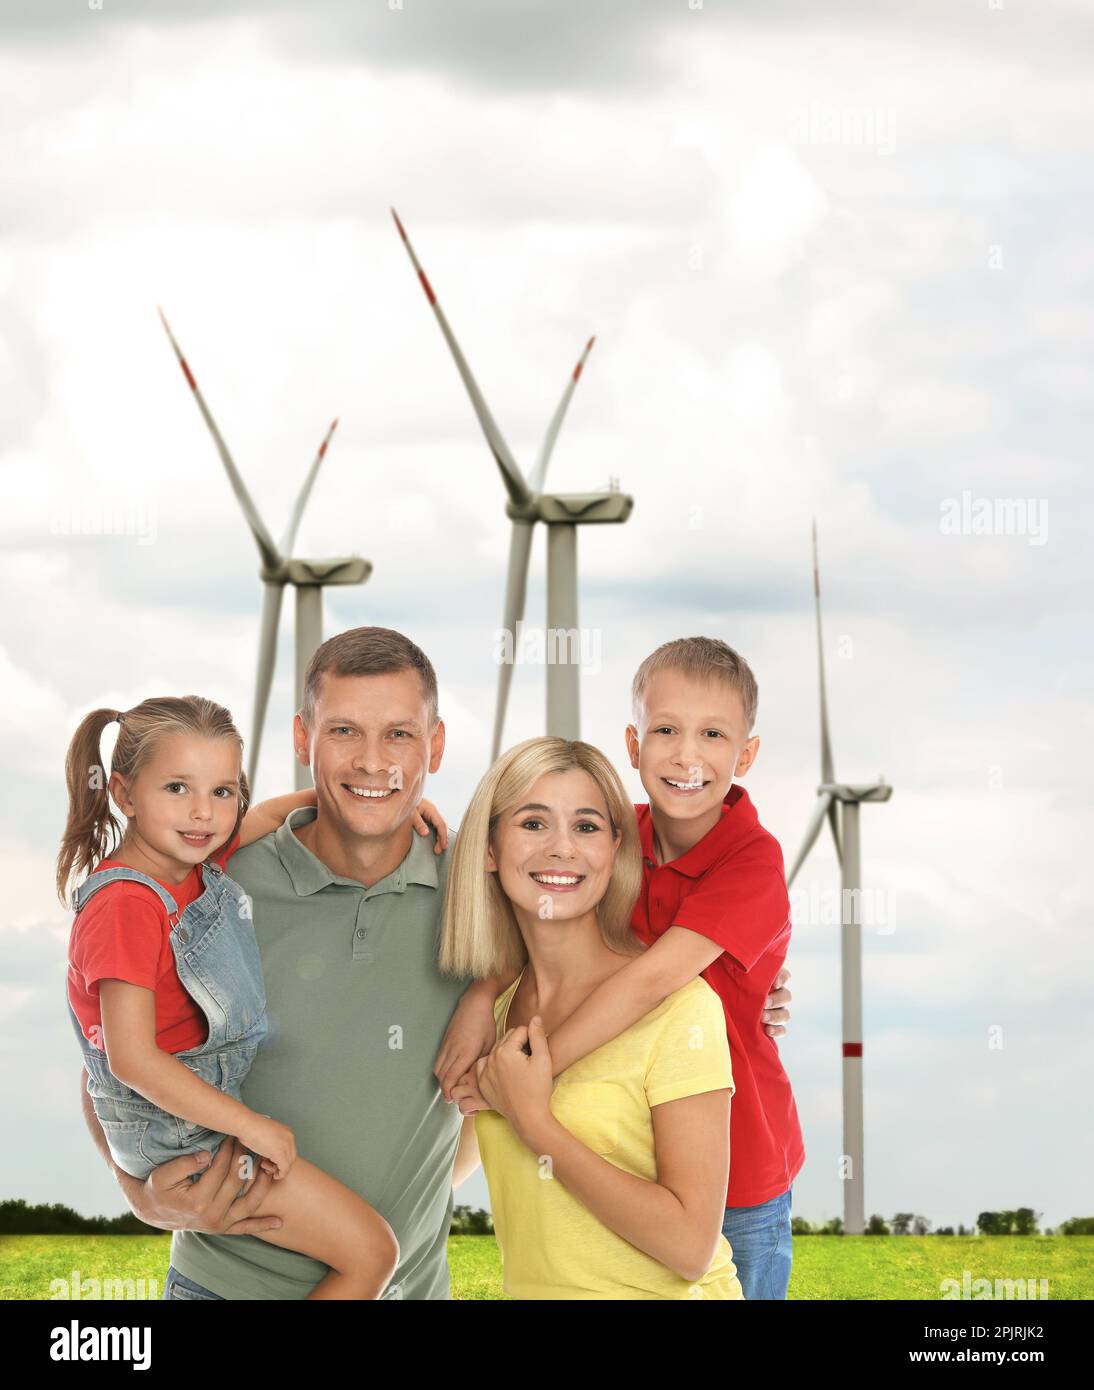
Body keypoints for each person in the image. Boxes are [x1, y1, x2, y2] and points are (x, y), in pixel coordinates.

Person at [75, 630, 476, 1300]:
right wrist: (140, 1194)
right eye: (344, 730)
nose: (373, 761)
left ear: (435, 744)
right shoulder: (215, 887)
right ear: (302, 738)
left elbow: (521, 1046)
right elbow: (106, 1058)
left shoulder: (482, 894)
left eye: (399, 735)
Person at [438, 636, 803, 1300]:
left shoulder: (750, 859)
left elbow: (650, 980)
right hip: (634, 1135)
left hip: (742, 1168)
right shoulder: (619, 835)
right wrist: (482, 993)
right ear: (633, 745)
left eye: (713, 734)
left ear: (746, 755)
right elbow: (536, 924)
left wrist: (520, 1076)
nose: (686, 755)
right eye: (666, 730)